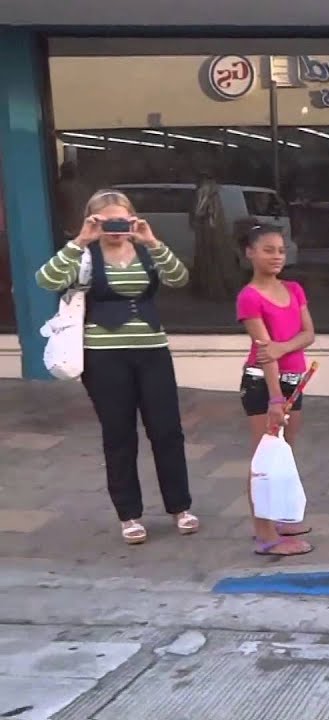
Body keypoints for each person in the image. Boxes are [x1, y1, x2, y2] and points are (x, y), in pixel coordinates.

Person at [36, 189, 198, 545]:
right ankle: (129, 515)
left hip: (153, 351)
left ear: (133, 218)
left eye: (121, 220)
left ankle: (180, 507)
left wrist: (152, 241)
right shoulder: (85, 256)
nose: (115, 228)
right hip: (104, 357)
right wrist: (80, 240)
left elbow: (180, 278)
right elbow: (45, 280)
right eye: (107, 221)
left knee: (167, 430)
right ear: (93, 220)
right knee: (119, 435)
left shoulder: (145, 250)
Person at [236, 224, 316, 556]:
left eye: (281, 250)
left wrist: (283, 349)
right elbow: (263, 352)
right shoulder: (249, 297)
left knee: (284, 454)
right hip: (264, 384)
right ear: (250, 253)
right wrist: (274, 397)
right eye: (268, 249)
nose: (277, 256)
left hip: (294, 379)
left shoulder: (294, 289)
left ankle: (280, 519)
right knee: (264, 459)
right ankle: (265, 534)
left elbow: (309, 334)